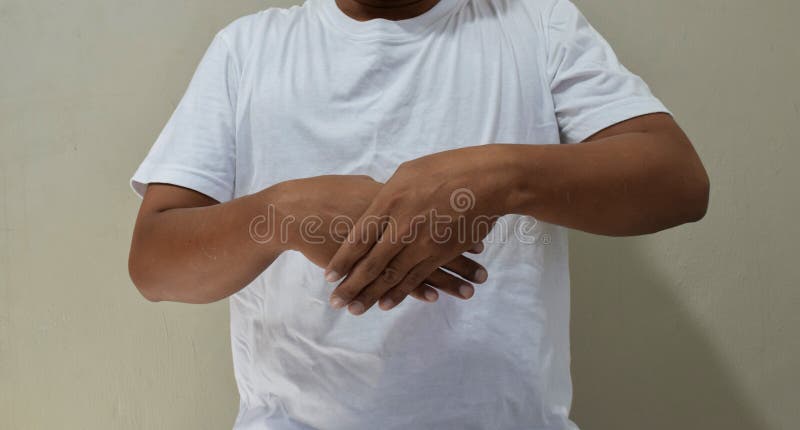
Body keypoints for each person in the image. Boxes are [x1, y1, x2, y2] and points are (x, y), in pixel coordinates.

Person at [128, 0, 709, 428]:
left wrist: (501, 178)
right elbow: (155, 263)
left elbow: (677, 180)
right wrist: (283, 215)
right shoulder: (248, 51)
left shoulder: (538, 26)